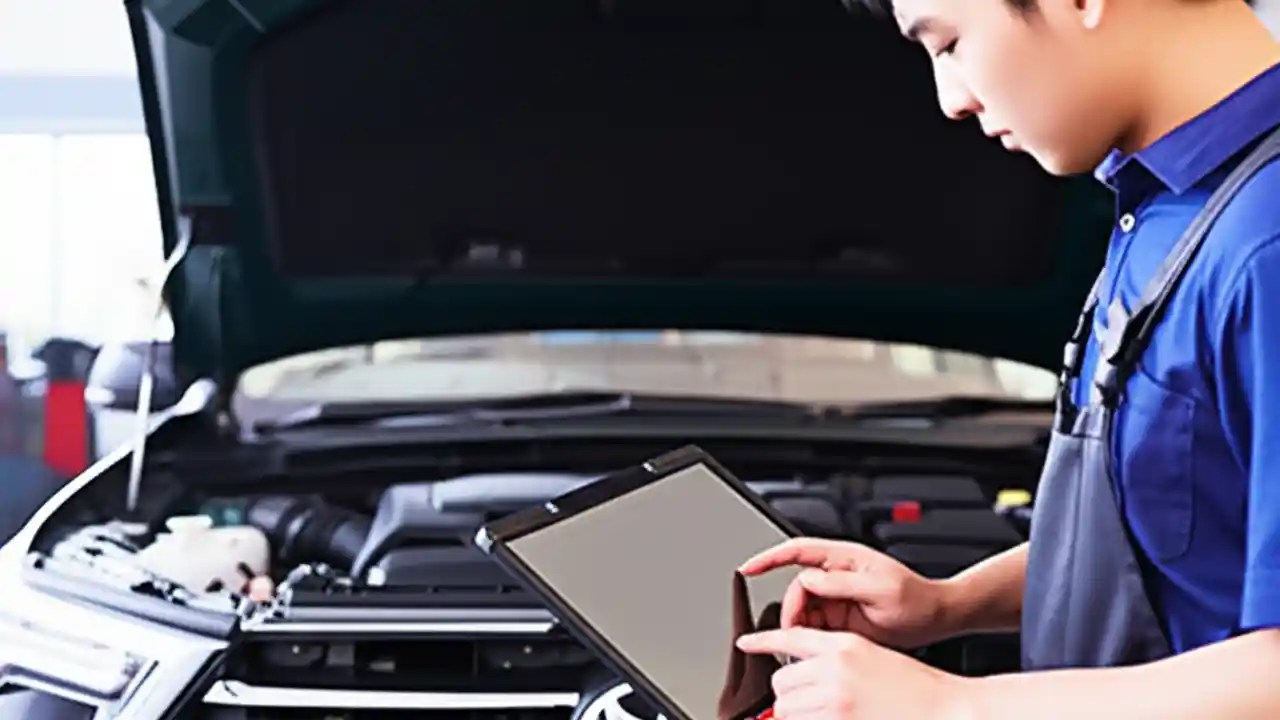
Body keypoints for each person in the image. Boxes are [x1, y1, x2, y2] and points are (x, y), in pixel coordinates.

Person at [732, 0, 1280, 717]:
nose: (950, 99)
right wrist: (948, 603)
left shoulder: (1265, 242)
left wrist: (947, 706)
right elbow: (1175, 536)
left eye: (949, 43)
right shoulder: (1171, 208)